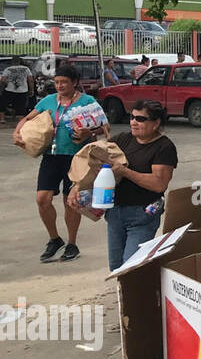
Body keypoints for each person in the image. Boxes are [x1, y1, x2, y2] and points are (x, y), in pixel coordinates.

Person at [12, 63, 107, 263]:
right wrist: (17, 132)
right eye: (56, 82)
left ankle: (72, 243)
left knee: (70, 202)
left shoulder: (87, 102)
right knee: (42, 199)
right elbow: (27, 118)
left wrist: (89, 132)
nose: (60, 86)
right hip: (51, 156)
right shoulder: (47, 101)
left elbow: (105, 128)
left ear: (75, 83)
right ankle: (54, 239)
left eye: (64, 82)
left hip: (77, 158)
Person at [82, 99, 178, 270]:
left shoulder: (164, 147)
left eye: (140, 119)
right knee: (116, 266)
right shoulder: (123, 140)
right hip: (115, 212)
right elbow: (94, 164)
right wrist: (77, 188)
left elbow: (159, 184)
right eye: (132, 117)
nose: (134, 122)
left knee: (132, 266)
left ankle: (141, 296)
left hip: (142, 214)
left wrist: (125, 172)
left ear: (156, 123)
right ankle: (125, 297)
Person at [1, 55, 33, 125]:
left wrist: (2, 89)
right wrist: (31, 89)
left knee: (2, 104)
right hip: (23, 91)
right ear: (20, 61)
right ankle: (20, 121)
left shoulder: (8, 69)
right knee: (21, 106)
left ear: (12, 61)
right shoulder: (26, 69)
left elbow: (3, 81)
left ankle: (2, 119)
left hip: (9, 90)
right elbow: (30, 80)